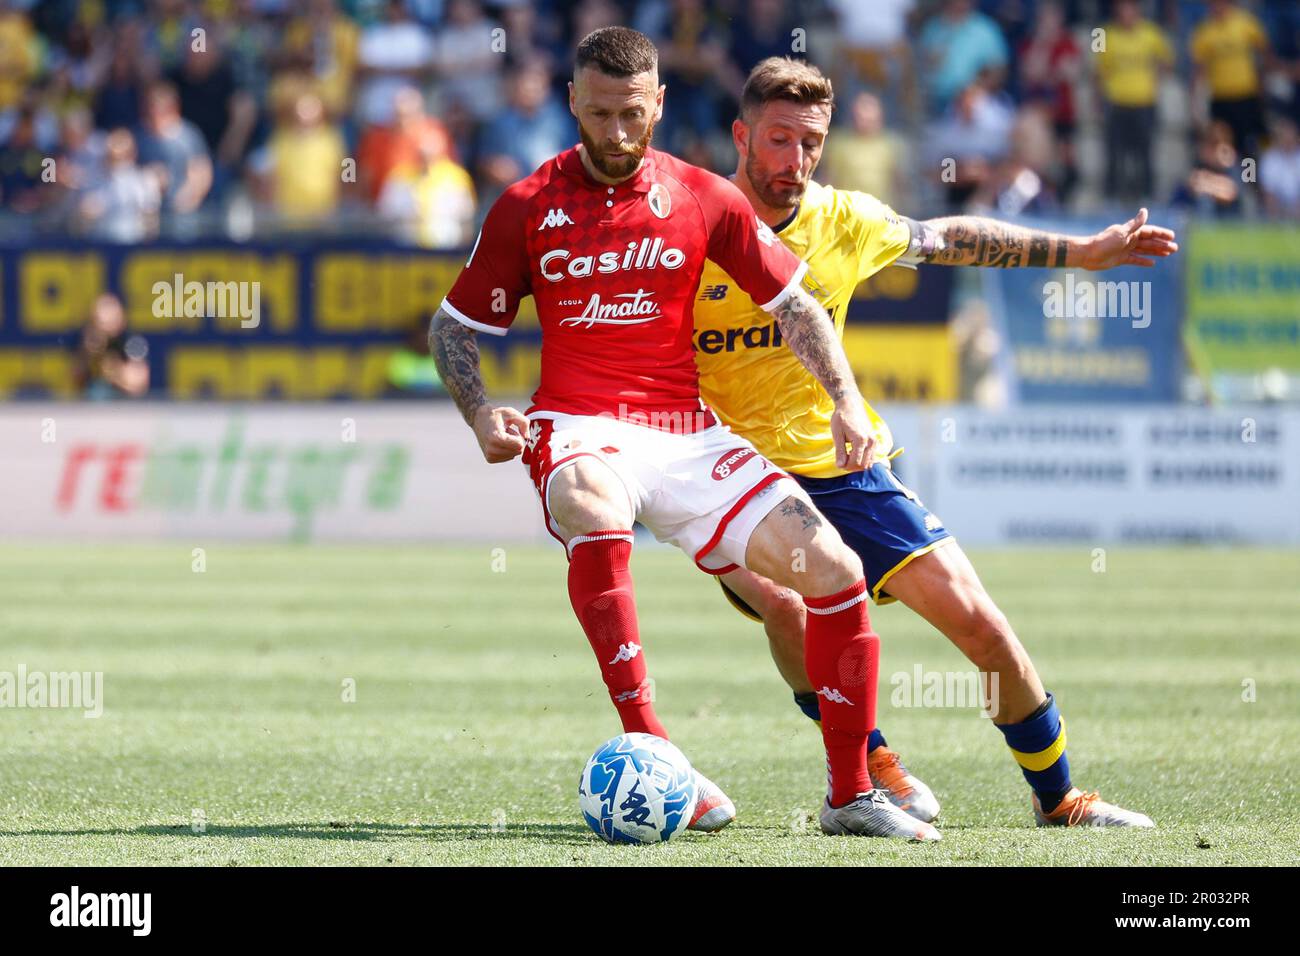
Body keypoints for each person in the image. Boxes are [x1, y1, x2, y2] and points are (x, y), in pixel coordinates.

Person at [430, 27, 939, 841]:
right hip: (577, 426)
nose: (618, 131)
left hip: (689, 433)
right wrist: (480, 409)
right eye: (600, 113)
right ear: (573, 103)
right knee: (590, 501)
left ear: (660, 103)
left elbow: (796, 304)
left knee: (837, 572)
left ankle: (849, 795)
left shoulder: (705, 196)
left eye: (633, 113)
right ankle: (657, 750)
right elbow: (452, 328)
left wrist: (844, 399)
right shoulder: (528, 205)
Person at [693, 57, 1178, 829]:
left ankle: (1060, 797)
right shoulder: (690, 226)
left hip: (846, 468)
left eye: (810, 143)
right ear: (741, 136)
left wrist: (1080, 254)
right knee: (791, 606)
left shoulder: (842, 220)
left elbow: (950, 237)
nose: (794, 160)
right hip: (734, 476)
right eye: (778, 140)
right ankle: (870, 767)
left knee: (981, 625)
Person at [1095, 0, 1172, 205]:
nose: (1126, 14)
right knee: (1114, 152)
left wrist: (1154, 80)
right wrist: (1098, 99)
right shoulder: (1103, 34)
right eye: (1122, 9)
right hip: (1116, 102)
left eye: (1130, 9)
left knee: (1145, 152)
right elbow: (1098, 71)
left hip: (1144, 102)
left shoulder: (1152, 33)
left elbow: (1167, 61)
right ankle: (1110, 198)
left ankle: (1148, 196)